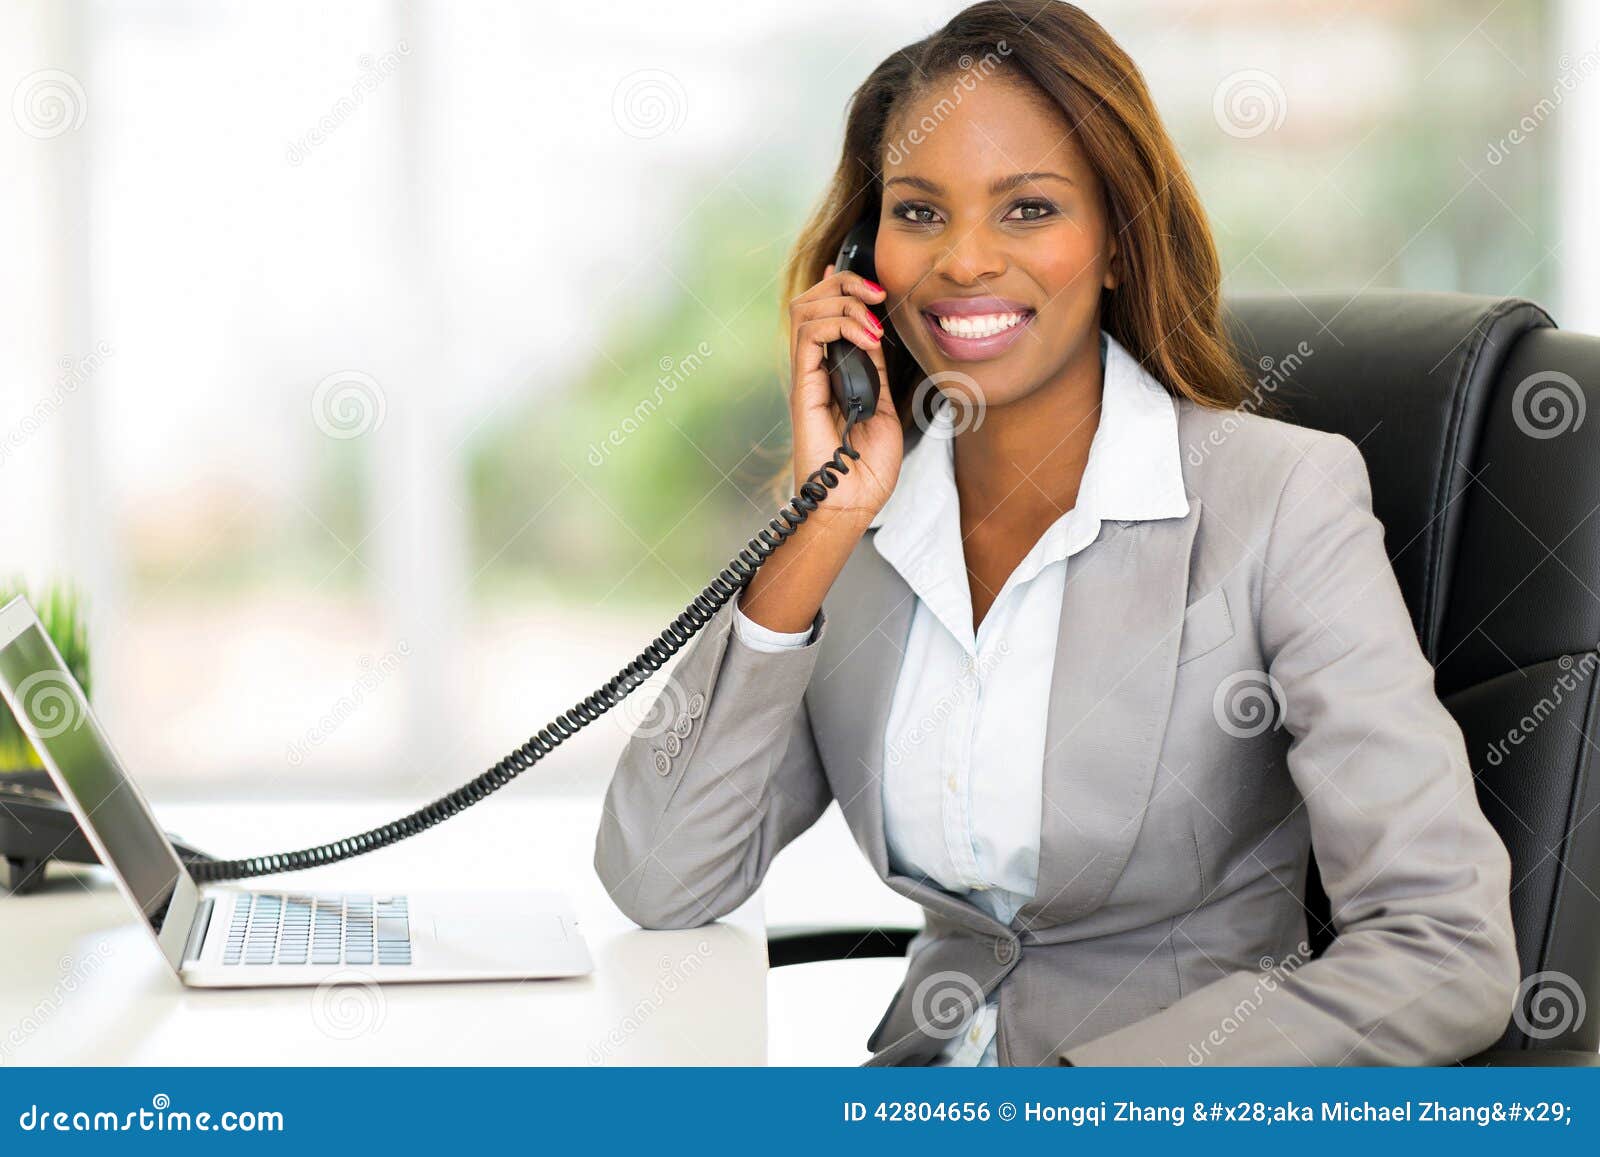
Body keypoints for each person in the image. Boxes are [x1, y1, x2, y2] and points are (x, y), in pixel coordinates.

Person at [594, 0, 1519, 1066]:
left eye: (1027, 208)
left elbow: (1446, 949)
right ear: (863, 258)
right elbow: (660, 878)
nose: (965, 261)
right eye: (919, 212)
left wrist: (1080, 1103)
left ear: (1118, 241)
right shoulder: (858, 527)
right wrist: (820, 526)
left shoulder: (1278, 500)